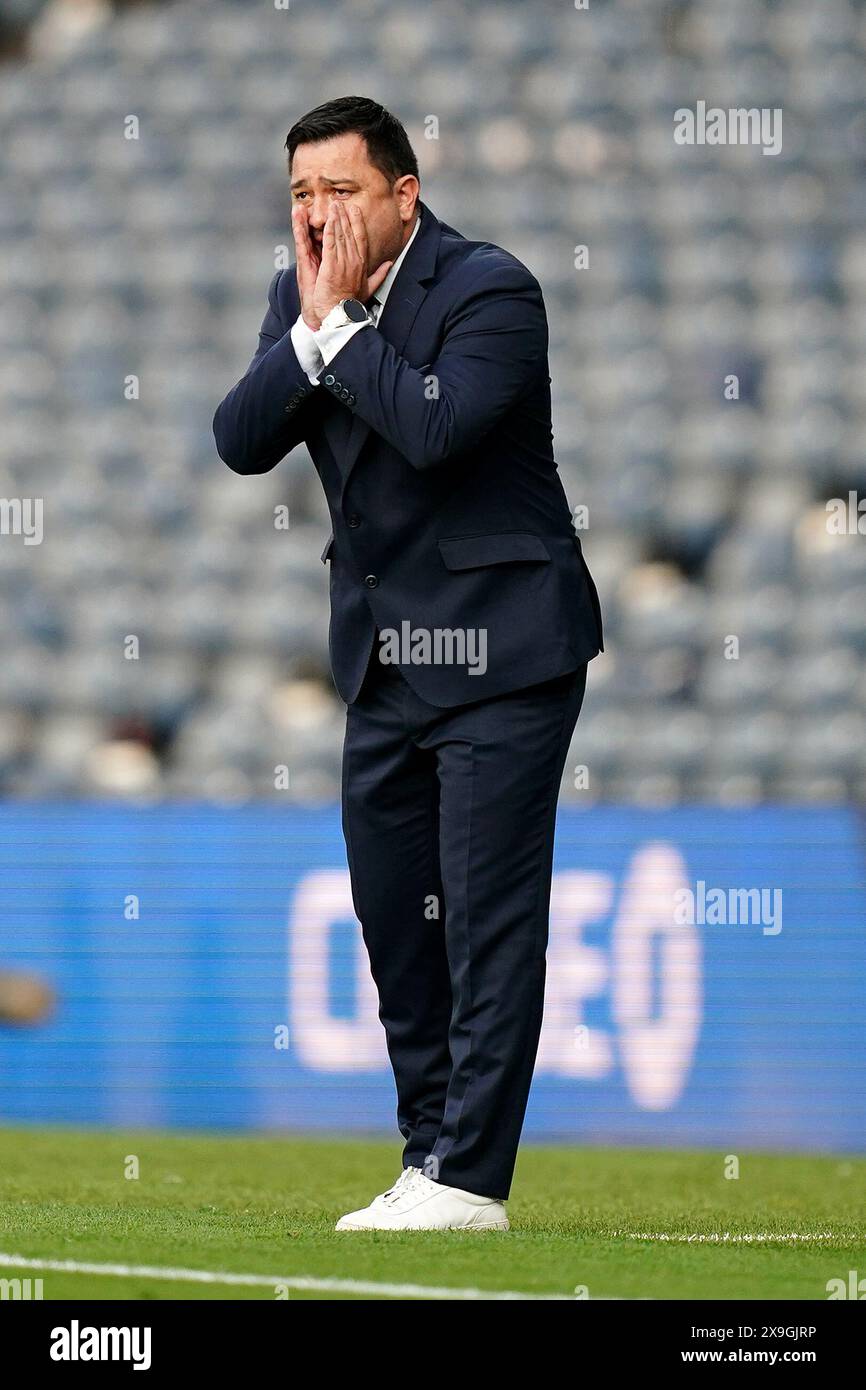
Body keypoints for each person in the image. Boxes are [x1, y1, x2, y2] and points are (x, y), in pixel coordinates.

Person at [214, 96, 603, 1231]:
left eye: (338, 189)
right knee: (396, 922)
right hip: (384, 663)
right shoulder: (300, 296)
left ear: (401, 195)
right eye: (298, 194)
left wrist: (337, 331)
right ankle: (428, 1156)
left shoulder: (489, 289)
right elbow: (240, 440)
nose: (315, 213)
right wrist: (309, 327)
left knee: (485, 918)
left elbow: (432, 431)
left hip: (503, 648)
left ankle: (471, 1180)